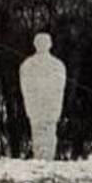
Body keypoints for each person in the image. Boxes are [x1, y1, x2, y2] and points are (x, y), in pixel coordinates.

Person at [19, 33, 67, 161]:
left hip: (48, 107)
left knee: (48, 135)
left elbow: (59, 89)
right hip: (38, 108)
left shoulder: (57, 66)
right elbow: (26, 88)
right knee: (38, 135)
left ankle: (47, 159)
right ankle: (41, 159)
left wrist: (56, 108)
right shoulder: (28, 65)